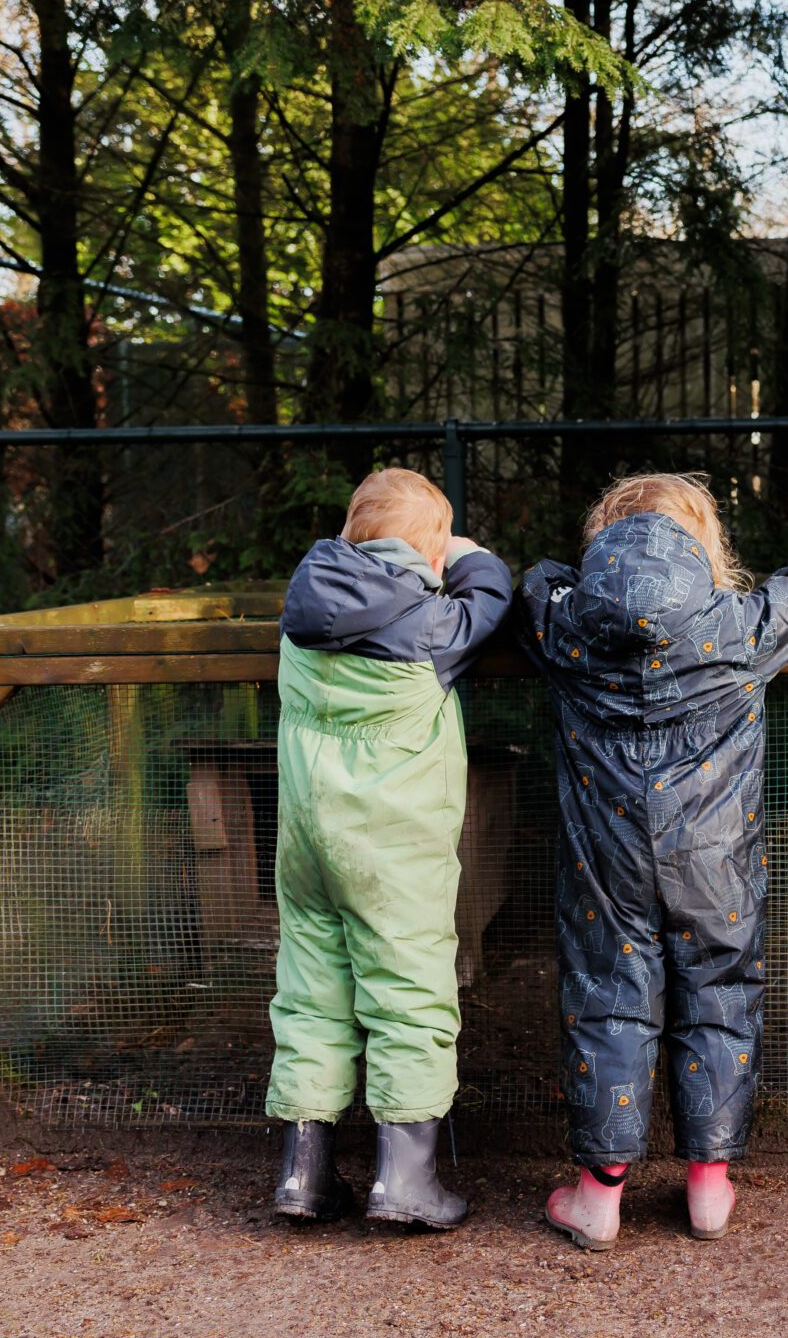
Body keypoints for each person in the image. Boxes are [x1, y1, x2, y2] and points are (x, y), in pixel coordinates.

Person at [521, 473, 788, 1250]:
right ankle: (710, 1185)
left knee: (610, 992)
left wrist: (581, 577)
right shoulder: (737, 625)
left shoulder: (566, 628)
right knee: (721, 988)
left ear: (603, 542)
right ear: (704, 545)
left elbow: (534, 581)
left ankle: (599, 1197)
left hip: (607, 856)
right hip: (714, 860)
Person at [265, 467, 513, 1230]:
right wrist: (467, 556)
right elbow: (492, 597)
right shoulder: (433, 629)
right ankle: (404, 1182)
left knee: (311, 989)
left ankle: (303, 1175)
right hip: (392, 849)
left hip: (307, 843)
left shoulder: (300, 613)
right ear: (431, 554)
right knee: (407, 991)